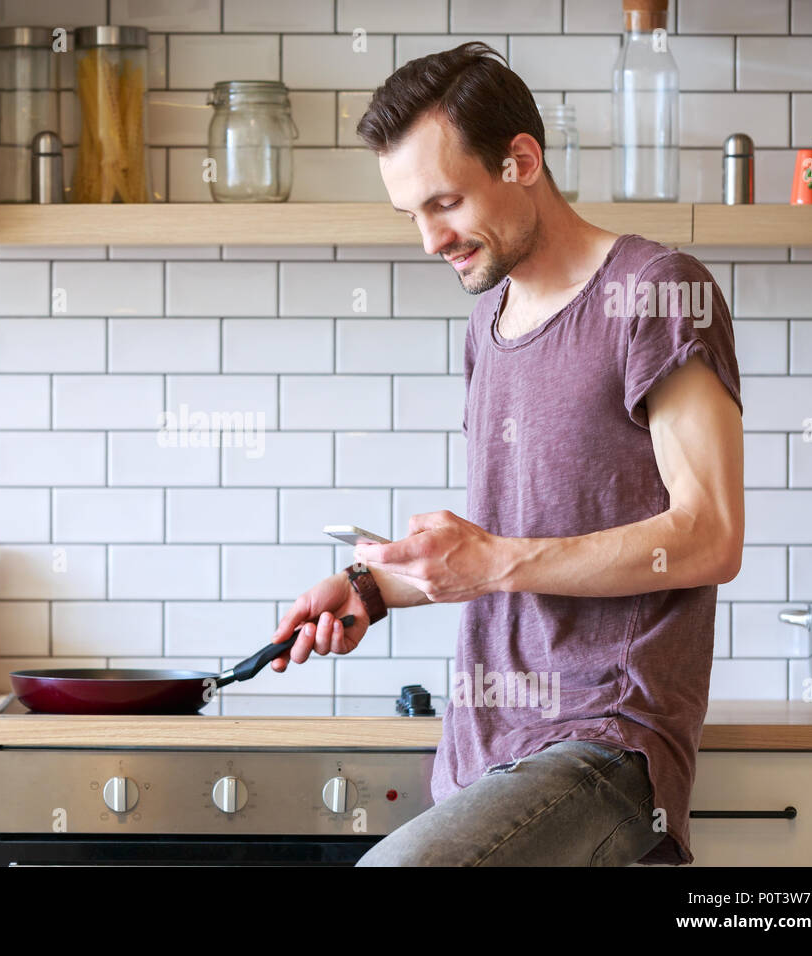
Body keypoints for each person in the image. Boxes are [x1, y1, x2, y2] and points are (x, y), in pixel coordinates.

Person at [269, 42, 744, 866]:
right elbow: (509, 543)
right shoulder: (487, 326)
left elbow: (709, 536)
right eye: (411, 214)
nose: (429, 240)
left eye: (446, 202)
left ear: (521, 160)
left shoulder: (657, 293)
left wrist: (495, 562)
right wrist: (370, 587)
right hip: (481, 750)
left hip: (603, 743)